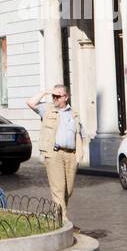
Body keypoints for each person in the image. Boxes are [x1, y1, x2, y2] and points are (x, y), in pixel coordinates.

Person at [26, 84, 85, 221]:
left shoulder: (74, 114)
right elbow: (30, 102)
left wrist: (78, 155)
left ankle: (58, 214)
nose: (55, 99)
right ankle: (63, 219)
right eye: (54, 96)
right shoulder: (47, 109)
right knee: (58, 189)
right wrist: (46, 92)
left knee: (68, 190)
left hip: (70, 154)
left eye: (58, 96)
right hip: (54, 154)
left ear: (66, 97)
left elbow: (79, 135)